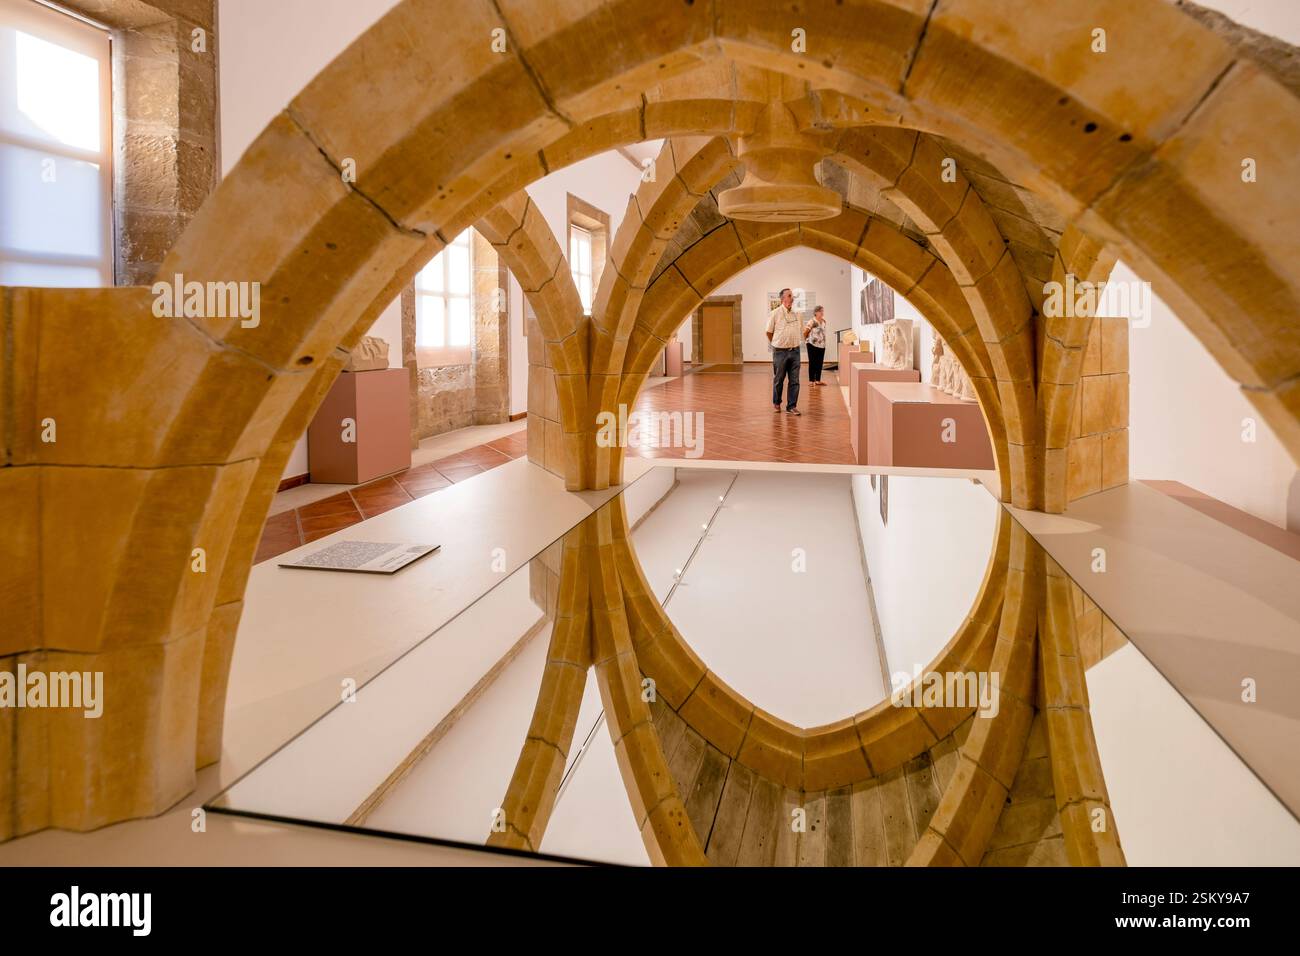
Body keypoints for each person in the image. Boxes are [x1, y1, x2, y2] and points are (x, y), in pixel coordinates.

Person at [766, 288, 802, 415]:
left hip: (795, 351)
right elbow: (769, 332)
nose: (792, 298)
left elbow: (800, 329)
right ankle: (777, 402)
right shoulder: (775, 313)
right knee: (779, 379)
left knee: (795, 381)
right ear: (782, 298)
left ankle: (791, 406)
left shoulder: (797, 313)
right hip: (780, 352)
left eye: (792, 296)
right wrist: (777, 344)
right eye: (789, 295)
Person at [804, 305, 827, 386]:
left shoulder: (824, 321)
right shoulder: (812, 322)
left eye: (822, 311)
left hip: (822, 345)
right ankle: (811, 381)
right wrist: (808, 341)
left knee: (820, 362)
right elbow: (805, 332)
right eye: (821, 311)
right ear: (816, 312)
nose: (822, 313)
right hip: (812, 344)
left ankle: (817, 380)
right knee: (812, 362)